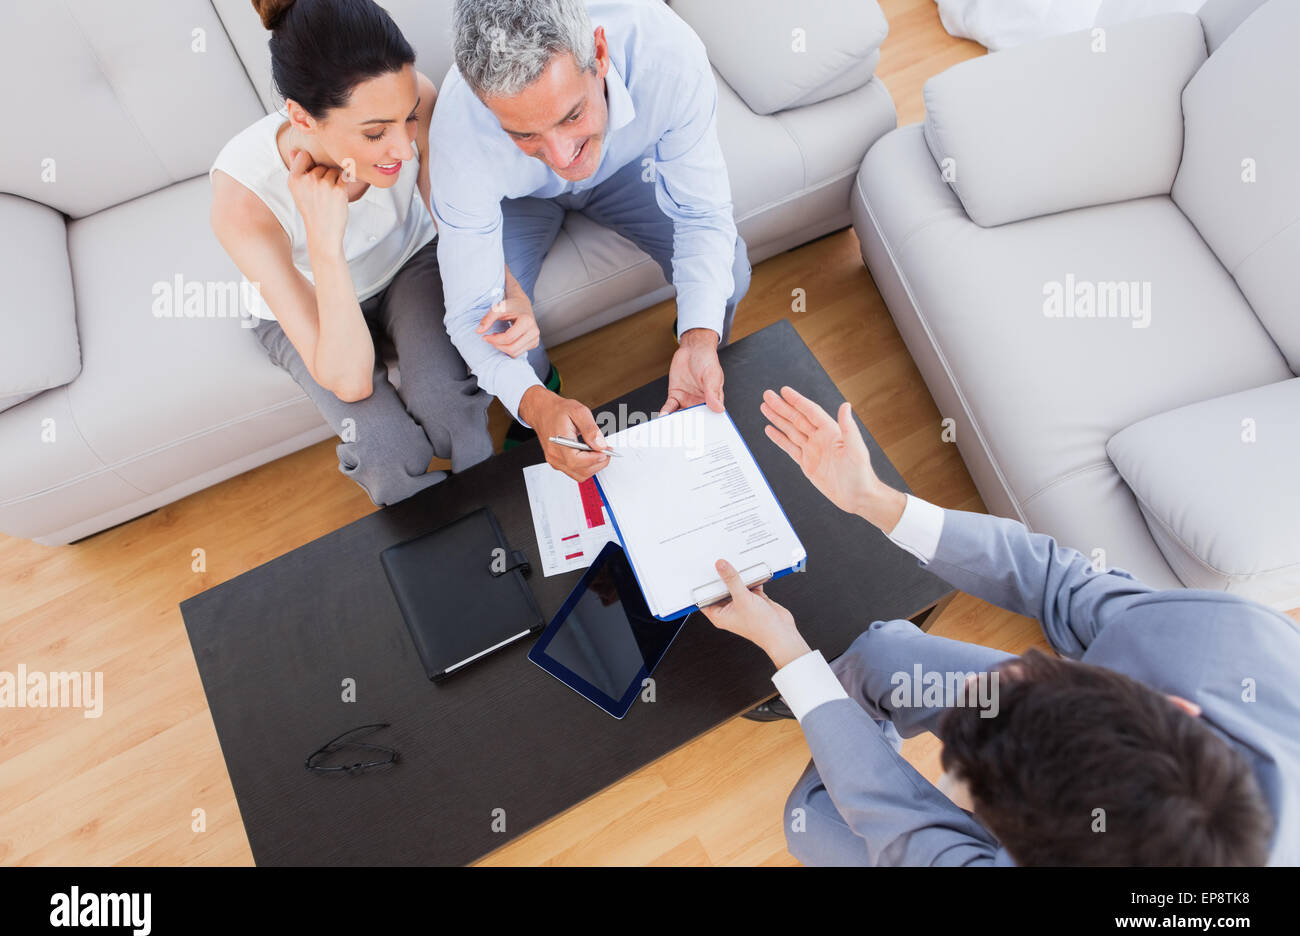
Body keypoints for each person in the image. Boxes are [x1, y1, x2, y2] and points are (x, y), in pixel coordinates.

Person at [702, 386, 1298, 865]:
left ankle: (832, 714)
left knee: (810, 818)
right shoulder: (1225, 642)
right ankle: (842, 704)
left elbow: (896, 818)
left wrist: (789, 651)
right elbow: (1055, 580)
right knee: (884, 654)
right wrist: (873, 499)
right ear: (1178, 708)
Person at [211, 0, 521, 505]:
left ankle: (504, 531)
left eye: (410, 120)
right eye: (375, 133)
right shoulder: (242, 202)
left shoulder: (418, 95)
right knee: (384, 451)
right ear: (301, 118)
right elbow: (350, 382)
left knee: (452, 414)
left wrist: (511, 294)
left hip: (408, 264)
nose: (403, 148)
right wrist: (323, 241)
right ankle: (447, 560)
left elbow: (456, 222)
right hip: (310, 299)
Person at [431, 0, 752, 478]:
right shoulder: (459, 131)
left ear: (599, 54)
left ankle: (689, 342)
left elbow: (702, 215)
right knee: (504, 330)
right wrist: (535, 404)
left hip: (624, 169)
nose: (561, 156)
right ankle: (545, 384)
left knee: (731, 272)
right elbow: (469, 309)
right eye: (524, 134)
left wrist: (700, 336)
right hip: (520, 202)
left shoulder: (666, 53)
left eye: (571, 115)